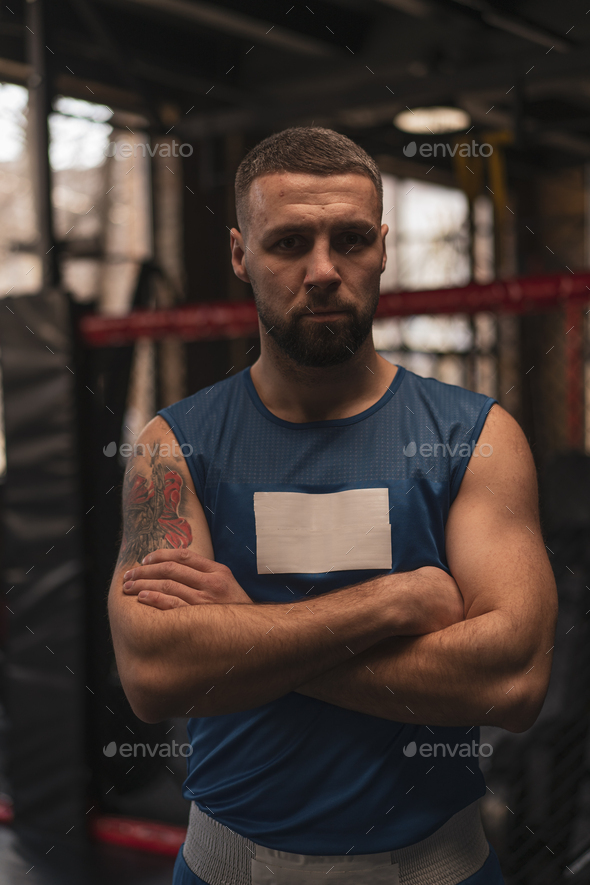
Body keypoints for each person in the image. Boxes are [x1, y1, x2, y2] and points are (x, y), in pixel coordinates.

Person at [108, 127, 558, 885]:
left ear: (382, 247)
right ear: (239, 254)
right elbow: (156, 674)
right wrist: (396, 600)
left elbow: (511, 680)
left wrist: (243, 627)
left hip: (435, 867)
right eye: (288, 242)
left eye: (349, 238)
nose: (323, 270)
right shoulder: (172, 448)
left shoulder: (474, 437)